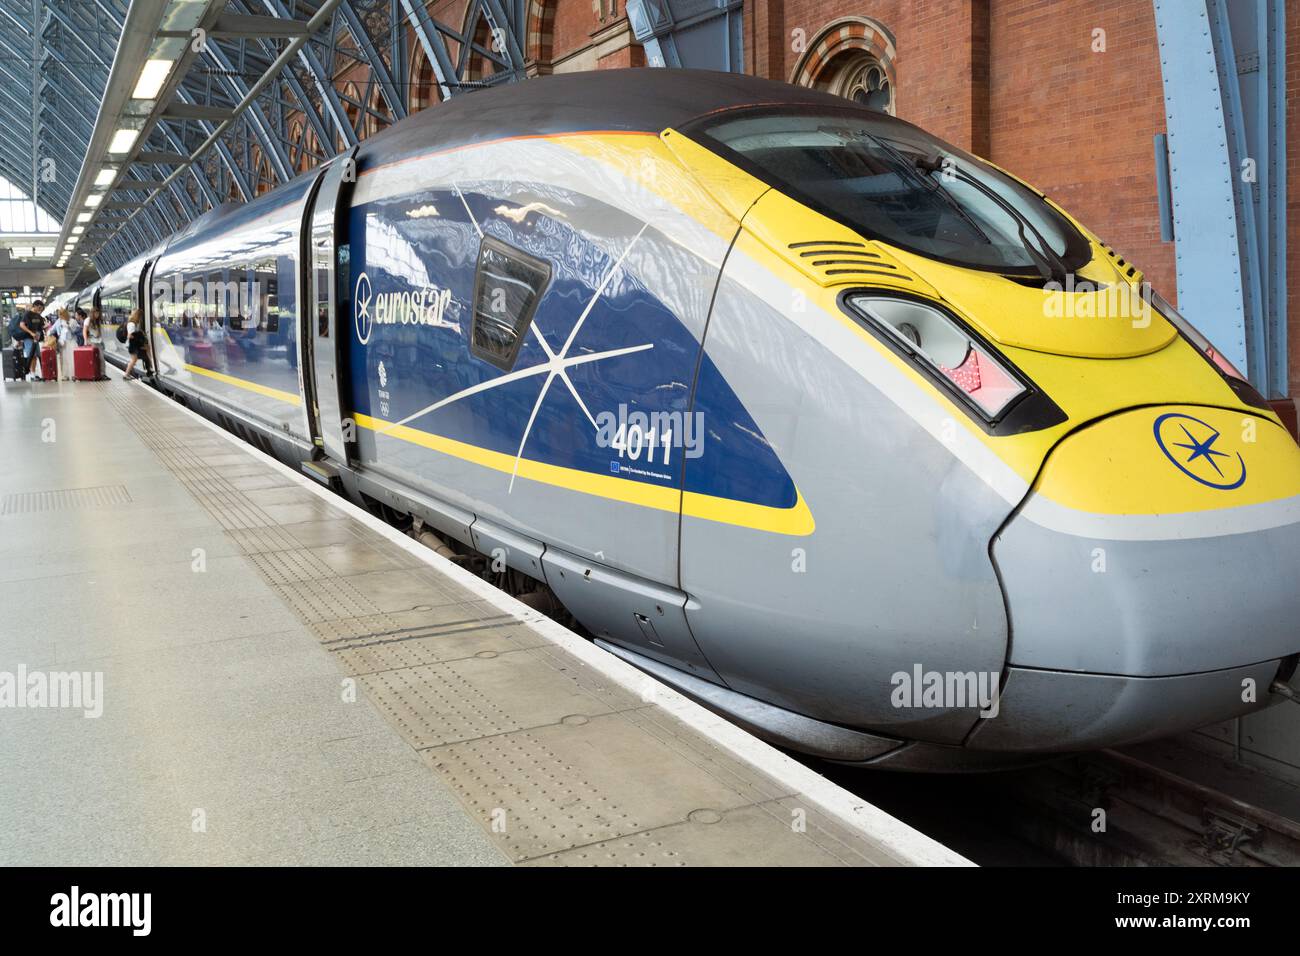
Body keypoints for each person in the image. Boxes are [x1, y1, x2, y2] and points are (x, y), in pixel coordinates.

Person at [122, 308, 152, 380]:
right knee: (133, 360)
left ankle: (149, 367)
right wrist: (138, 336)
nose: (141, 318)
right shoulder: (132, 324)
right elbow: (129, 336)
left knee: (136, 359)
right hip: (133, 346)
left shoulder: (133, 323)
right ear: (137, 316)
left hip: (134, 345)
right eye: (140, 316)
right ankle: (126, 375)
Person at [52, 308, 78, 381]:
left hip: (71, 341)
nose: (60, 316)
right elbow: (52, 330)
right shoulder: (58, 322)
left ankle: (74, 374)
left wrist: (68, 326)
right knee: (63, 359)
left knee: (72, 359)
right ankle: (64, 375)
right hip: (62, 343)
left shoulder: (72, 321)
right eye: (59, 315)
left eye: (62, 314)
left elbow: (75, 330)